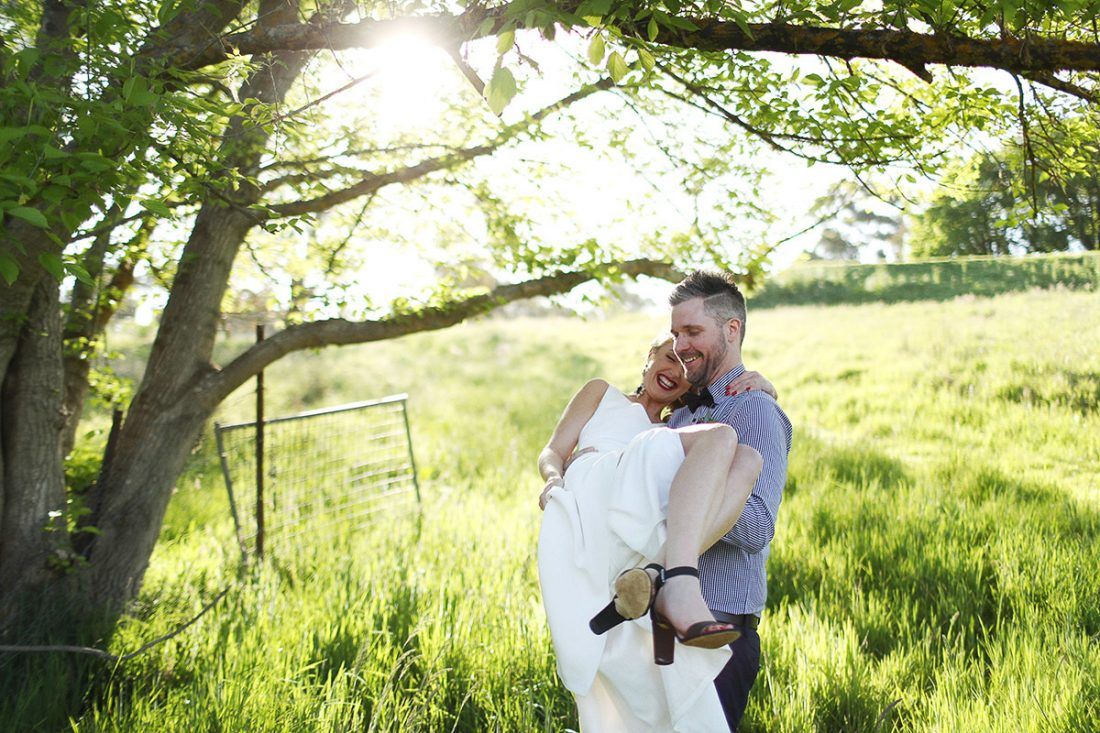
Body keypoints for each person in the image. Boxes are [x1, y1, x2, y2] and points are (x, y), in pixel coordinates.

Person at [537, 336, 772, 731]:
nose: (674, 372)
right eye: (668, 357)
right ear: (649, 357)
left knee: (749, 458)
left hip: (637, 520)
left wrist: (762, 388)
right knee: (722, 437)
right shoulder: (602, 393)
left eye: (685, 370)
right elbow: (552, 451)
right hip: (595, 486)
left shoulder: (675, 427)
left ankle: (655, 573)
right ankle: (675, 578)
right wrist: (552, 479)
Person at [667, 271, 793, 732]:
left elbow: (758, 526)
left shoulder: (753, 409)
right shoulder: (677, 415)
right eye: (675, 333)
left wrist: (684, 492)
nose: (680, 345)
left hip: (717, 629)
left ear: (731, 329)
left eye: (692, 331)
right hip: (651, 627)